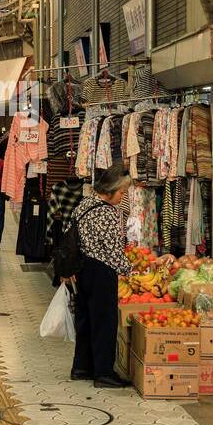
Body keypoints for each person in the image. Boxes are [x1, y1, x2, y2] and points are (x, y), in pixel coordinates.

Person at [66, 165, 134, 388]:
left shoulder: (85, 204)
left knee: (85, 318)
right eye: (122, 192)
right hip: (101, 271)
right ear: (111, 190)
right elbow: (113, 251)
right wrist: (129, 270)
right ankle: (104, 372)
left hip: (83, 268)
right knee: (105, 321)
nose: (122, 197)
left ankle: (81, 367)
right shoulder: (107, 213)